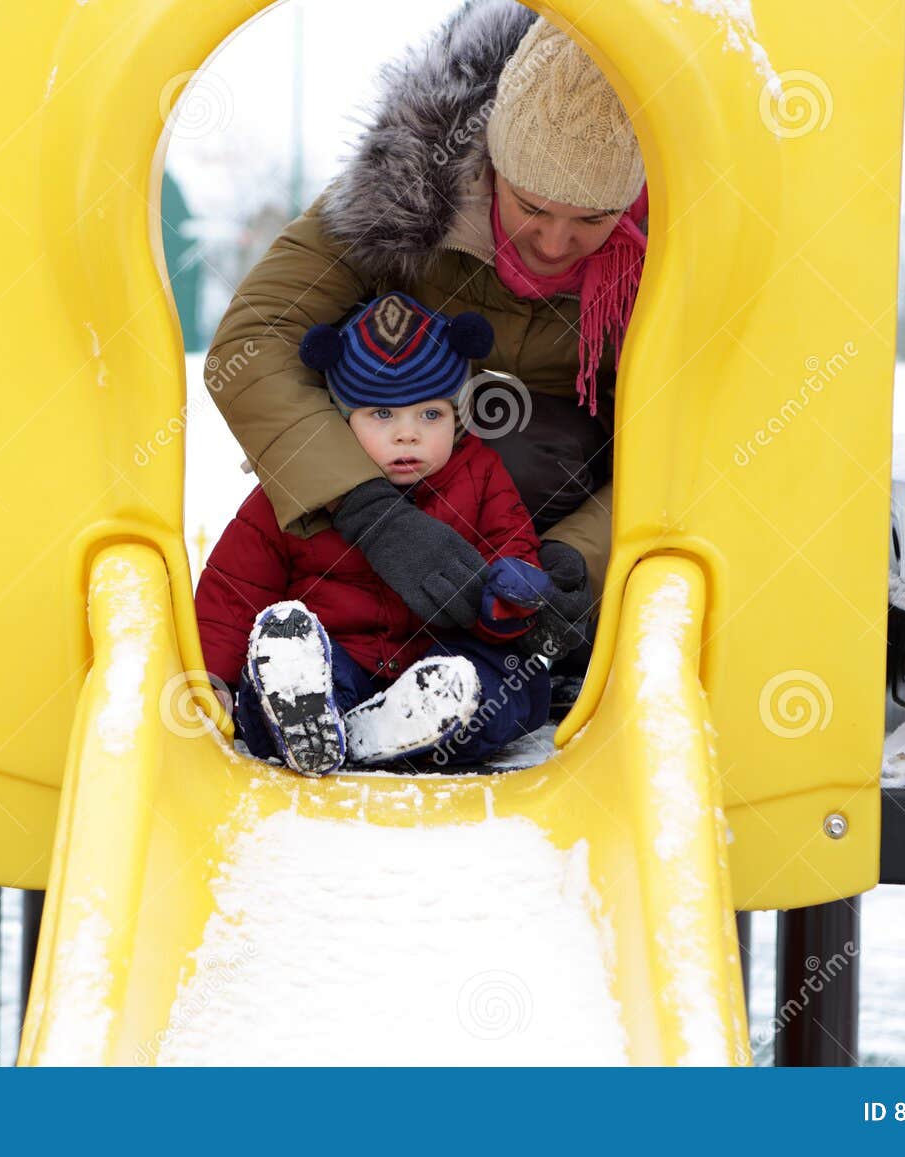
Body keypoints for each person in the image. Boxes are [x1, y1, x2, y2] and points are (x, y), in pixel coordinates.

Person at [204, 5, 647, 672]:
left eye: (593, 219)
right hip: (400, 462)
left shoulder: (676, 249)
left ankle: (505, 667)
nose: (556, 243)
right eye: (531, 207)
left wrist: (577, 562)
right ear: (490, 169)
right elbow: (253, 340)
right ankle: (340, 652)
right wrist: (371, 511)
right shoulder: (405, 188)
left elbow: (701, 433)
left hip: (568, 490)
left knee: (525, 447)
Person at [195, 292, 559, 776]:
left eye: (431, 415)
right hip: (340, 662)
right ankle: (303, 708)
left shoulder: (480, 475)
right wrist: (210, 676)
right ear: (342, 420)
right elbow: (238, 587)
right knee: (290, 666)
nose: (407, 434)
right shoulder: (298, 486)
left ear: (458, 418)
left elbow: (510, 546)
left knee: (499, 682)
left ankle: (413, 721)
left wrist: (508, 597)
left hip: (438, 660)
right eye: (382, 415)